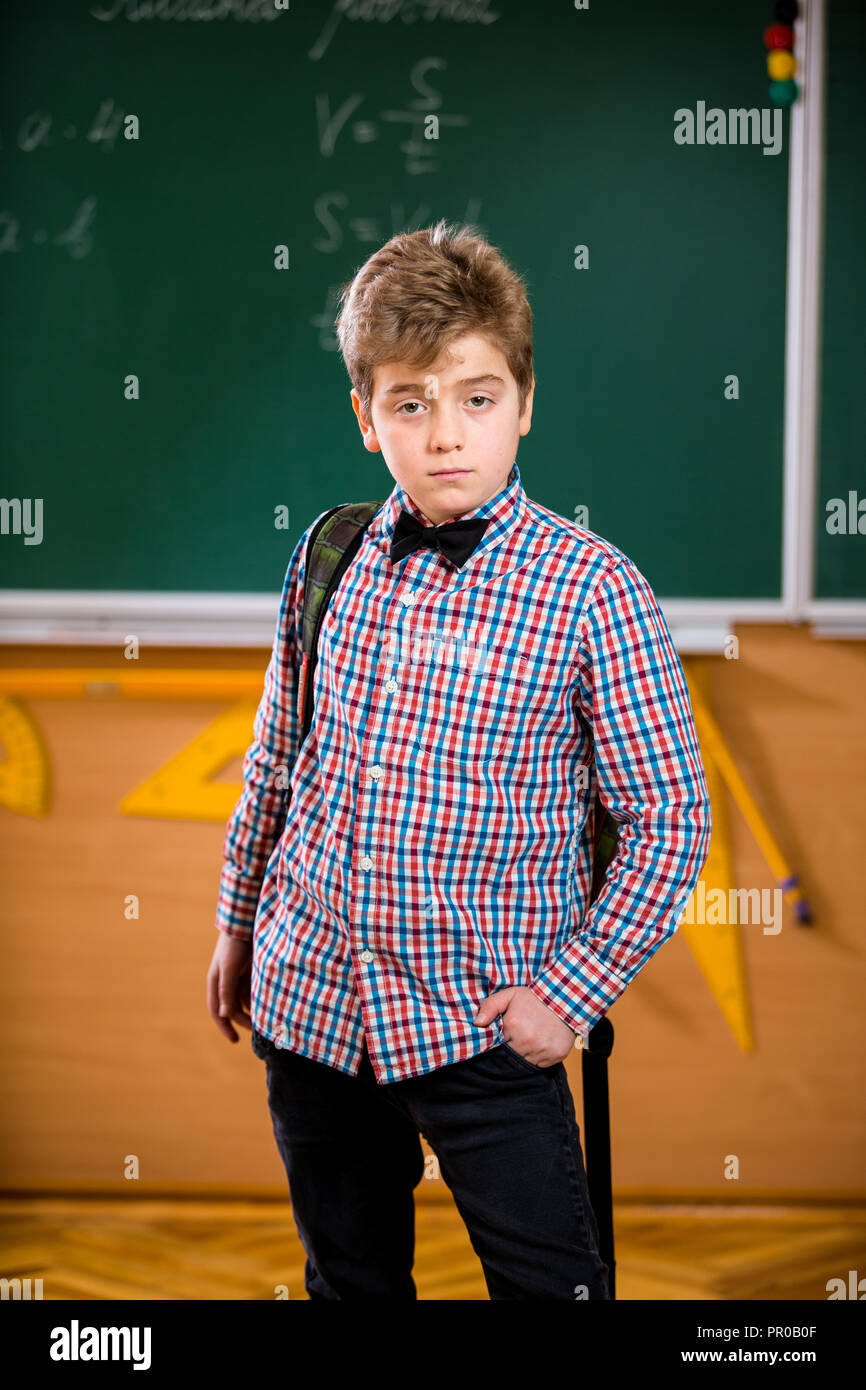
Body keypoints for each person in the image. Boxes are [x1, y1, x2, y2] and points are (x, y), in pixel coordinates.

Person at [206, 219, 712, 1301]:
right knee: (350, 1283)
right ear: (365, 416)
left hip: (484, 1027)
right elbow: (276, 757)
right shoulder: (330, 553)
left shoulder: (594, 592)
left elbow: (670, 824)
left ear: (522, 402)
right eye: (409, 403)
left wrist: (564, 999)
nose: (444, 435)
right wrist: (236, 922)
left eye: (475, 398)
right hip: (310, 1006)